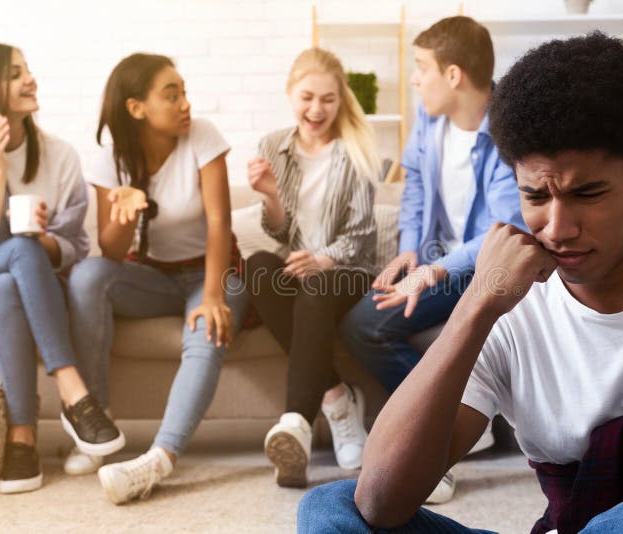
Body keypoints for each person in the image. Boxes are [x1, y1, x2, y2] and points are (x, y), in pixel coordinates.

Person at [298, 32, 623, 533]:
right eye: (536, 197)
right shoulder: (512, 307)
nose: (557, 228)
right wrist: (476, 304)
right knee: (331, 506)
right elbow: (381, 501)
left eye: (587, 194)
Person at [339, 15, 525, 503]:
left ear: (454, 75)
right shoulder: (428, 117)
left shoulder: (509, 131)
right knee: (363, 324)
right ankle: (457, 422)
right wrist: (409, 250)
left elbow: (505, 231)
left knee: (371, 323)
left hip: (487, 268)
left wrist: (434, 270)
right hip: (436, 259)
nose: (415, 79)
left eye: (422, 67)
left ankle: (437, 441)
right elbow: (416, 186)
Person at [66, 53, 249, 504]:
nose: (185, 104)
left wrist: (212, 296)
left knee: (207, 327)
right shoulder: (111, 160)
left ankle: (160, 458)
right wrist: (127, 212)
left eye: (184, 92)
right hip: (153, 278)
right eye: (171, 95)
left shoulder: (202, 136)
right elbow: (111, 251)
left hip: (214, 271)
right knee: (87, 277)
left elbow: (219, 222)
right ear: (136, 108)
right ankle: (97, 425)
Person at [0, 43, 124, 494]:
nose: (30, 79)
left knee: (7, 286)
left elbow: (76, 245)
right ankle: (73, 392)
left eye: (28, 70)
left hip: (34, 290)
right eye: (15, 73)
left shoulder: (60, 156)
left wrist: (43, 240)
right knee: (13, 256)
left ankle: (22, 439)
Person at [243, 47, 379, 488]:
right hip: (299, 268)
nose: (316, 110)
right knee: (258, 265)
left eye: (328, 99)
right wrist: (270, 195)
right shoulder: (272, 146)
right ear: (290, 94)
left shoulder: (356, 150)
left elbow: (361, 236)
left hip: (348, 270)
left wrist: (322, 259)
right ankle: (338, 398)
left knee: (316, 288)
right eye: (307, 97)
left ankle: (297, 425)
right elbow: (278, 232)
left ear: (341, 100)